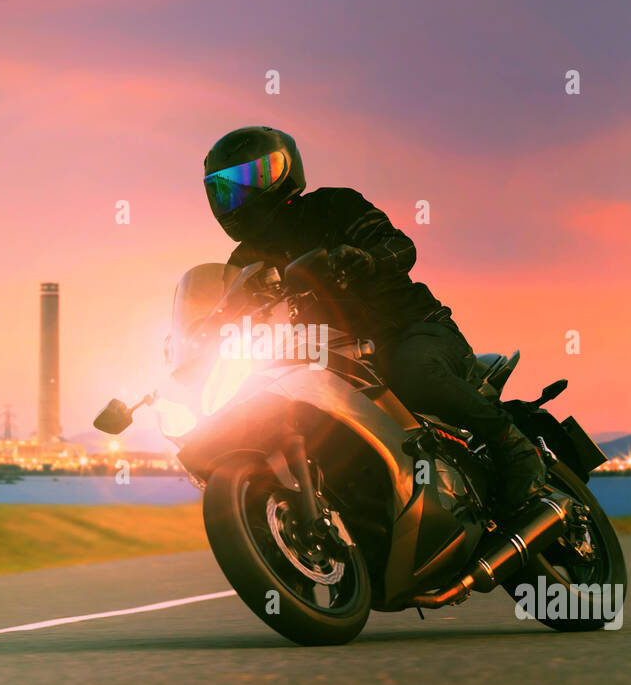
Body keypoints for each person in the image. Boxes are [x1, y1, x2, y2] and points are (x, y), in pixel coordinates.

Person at [203, 125, 546, 511]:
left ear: (284, 170)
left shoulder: (334, 206)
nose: (240, 194)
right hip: (329, 363)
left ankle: (516, 449)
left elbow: (401, 247)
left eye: (251, 178)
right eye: (224, 188)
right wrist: (199, 337)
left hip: (413, 330)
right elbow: (223, 309)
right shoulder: (243, 264)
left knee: (414, 373)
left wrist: (365, 259)